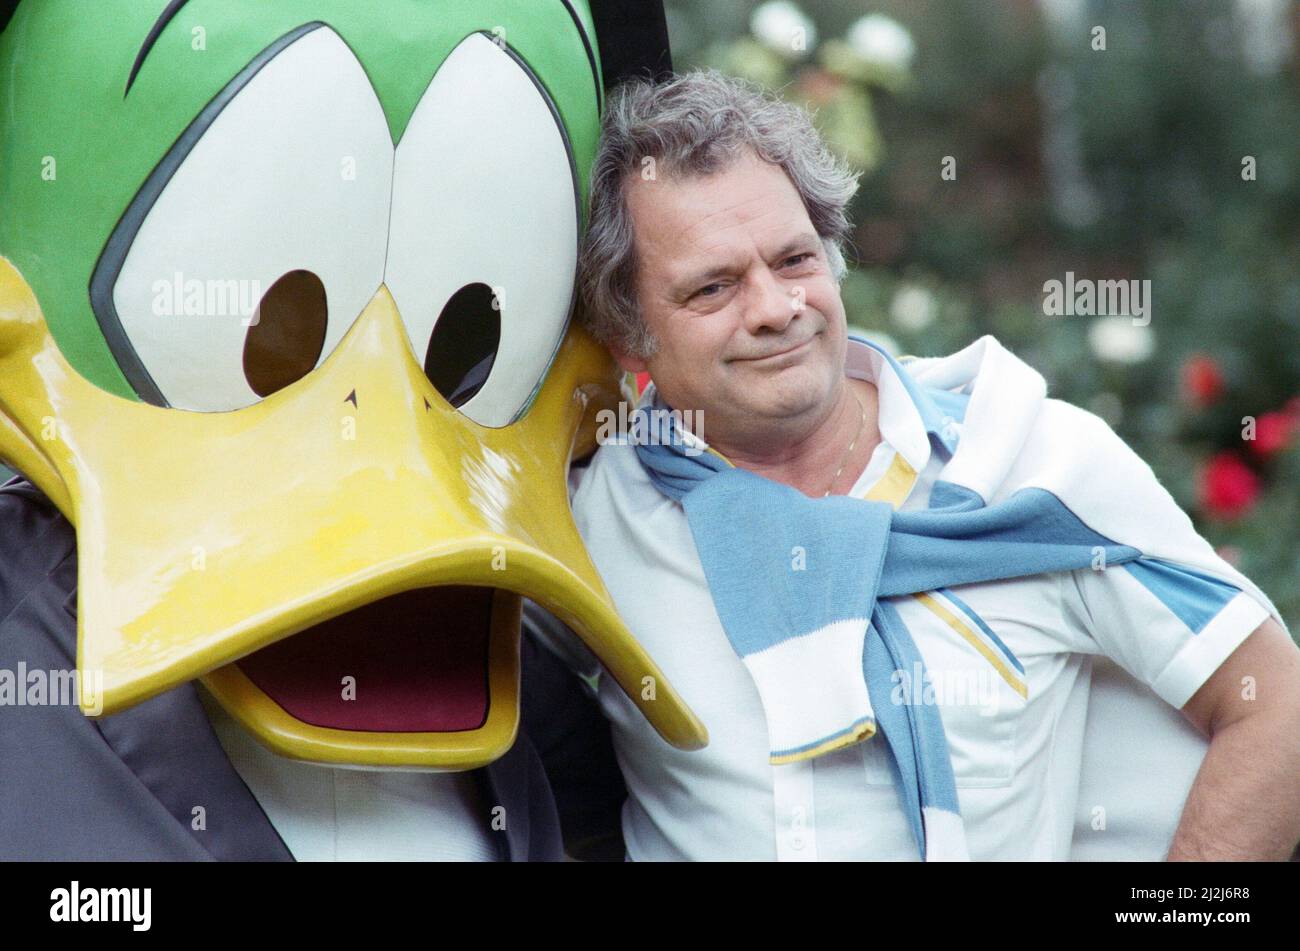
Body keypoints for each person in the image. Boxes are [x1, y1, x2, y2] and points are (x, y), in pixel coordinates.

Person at [526, 68, 1300, 861]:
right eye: (713, 287)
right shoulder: (589, 514)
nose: (774, 309)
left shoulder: (1034, 466)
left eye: (795, 260)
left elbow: (1277, 707)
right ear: (628, 336)